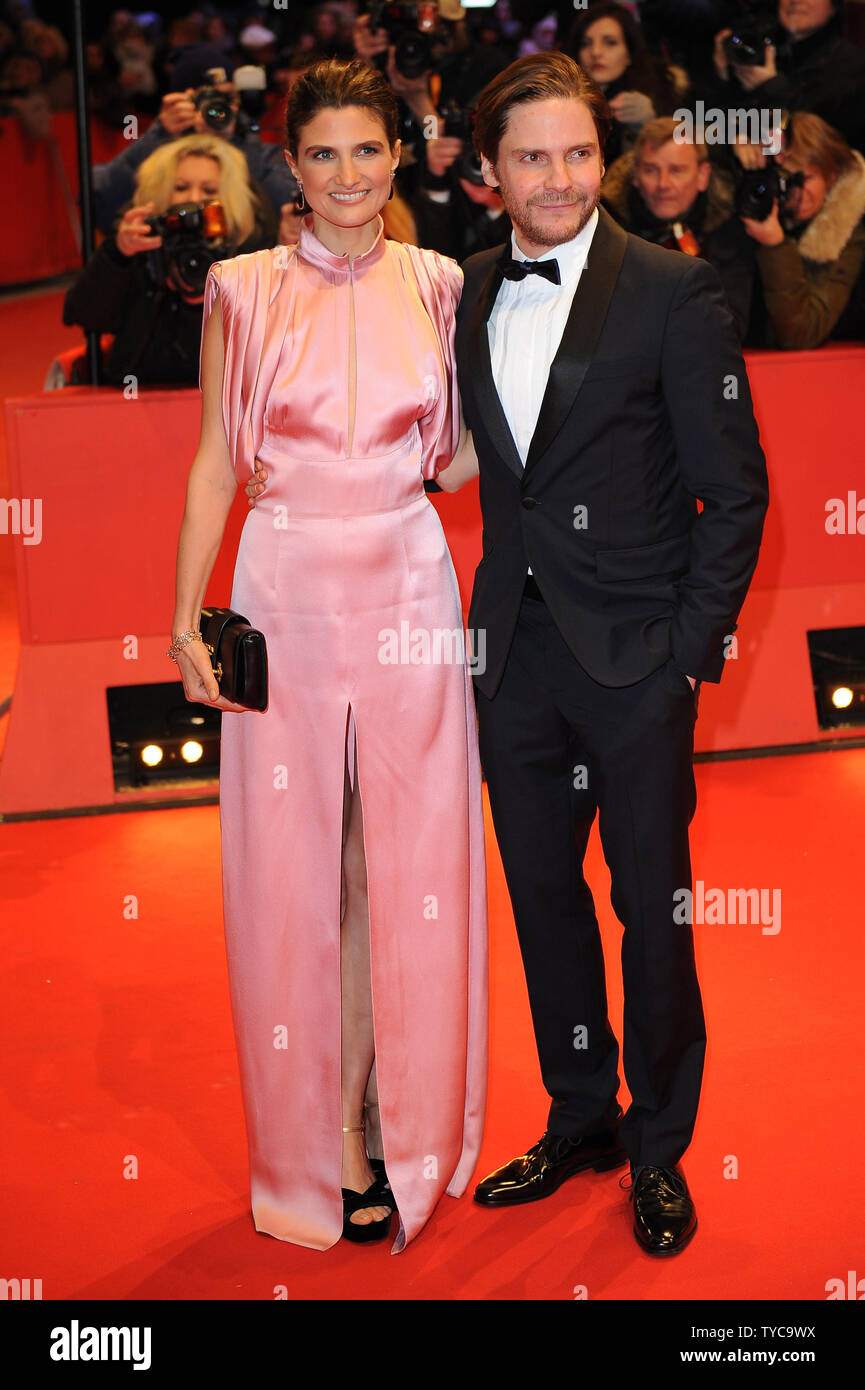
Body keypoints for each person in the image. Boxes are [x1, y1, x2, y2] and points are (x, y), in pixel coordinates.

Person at [169, 57, 488, 1253]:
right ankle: (323, 1147)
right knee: (294, 873)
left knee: (390, 869)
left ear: (397, 157)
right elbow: (211, 459)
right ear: (290, 168)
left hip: (408, 582)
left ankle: (386, 1116)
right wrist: (182, 612)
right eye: (322, 155)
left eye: (367, 151)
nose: (347, 176)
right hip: (284, 588)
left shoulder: (445, 280)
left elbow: (455, 452)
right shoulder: (241, 288)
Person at [454, 51, 768, 1255]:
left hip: (637, 659)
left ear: (606, 157)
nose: (559, 177)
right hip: (514, 657)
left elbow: (732, 494)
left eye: (578, 152)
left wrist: (687, 654)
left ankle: (659, 1146)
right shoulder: (473, 288)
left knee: (653, 911)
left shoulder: (668, 292)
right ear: (488, 173)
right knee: (544, 906)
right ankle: (581, 1112)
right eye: (531, 155)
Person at [63, 134, 275, 387]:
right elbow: (85, 316)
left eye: (208, 190)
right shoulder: (140, 244)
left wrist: (205, 303)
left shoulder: (250, 254)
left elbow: (263, 348)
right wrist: (117, 254)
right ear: (160, 190)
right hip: (137, 393)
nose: (194, 198)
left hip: (224, 400)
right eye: (181, 187)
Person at [601, 116, 755, 341]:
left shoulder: (728, 229)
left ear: (702, 176)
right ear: (635, 175)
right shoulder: (603, 227)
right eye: (651, 170)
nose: (663, 184)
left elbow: (730, 329)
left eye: (676, 170)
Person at [739, 110, 865, 349]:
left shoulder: (847, 233)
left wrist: (774, 245)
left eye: (802, 178)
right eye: (783, 178)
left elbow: (801, 334)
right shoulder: (753, 201)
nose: (792, 191)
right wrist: (733, 146)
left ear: (831, 176)